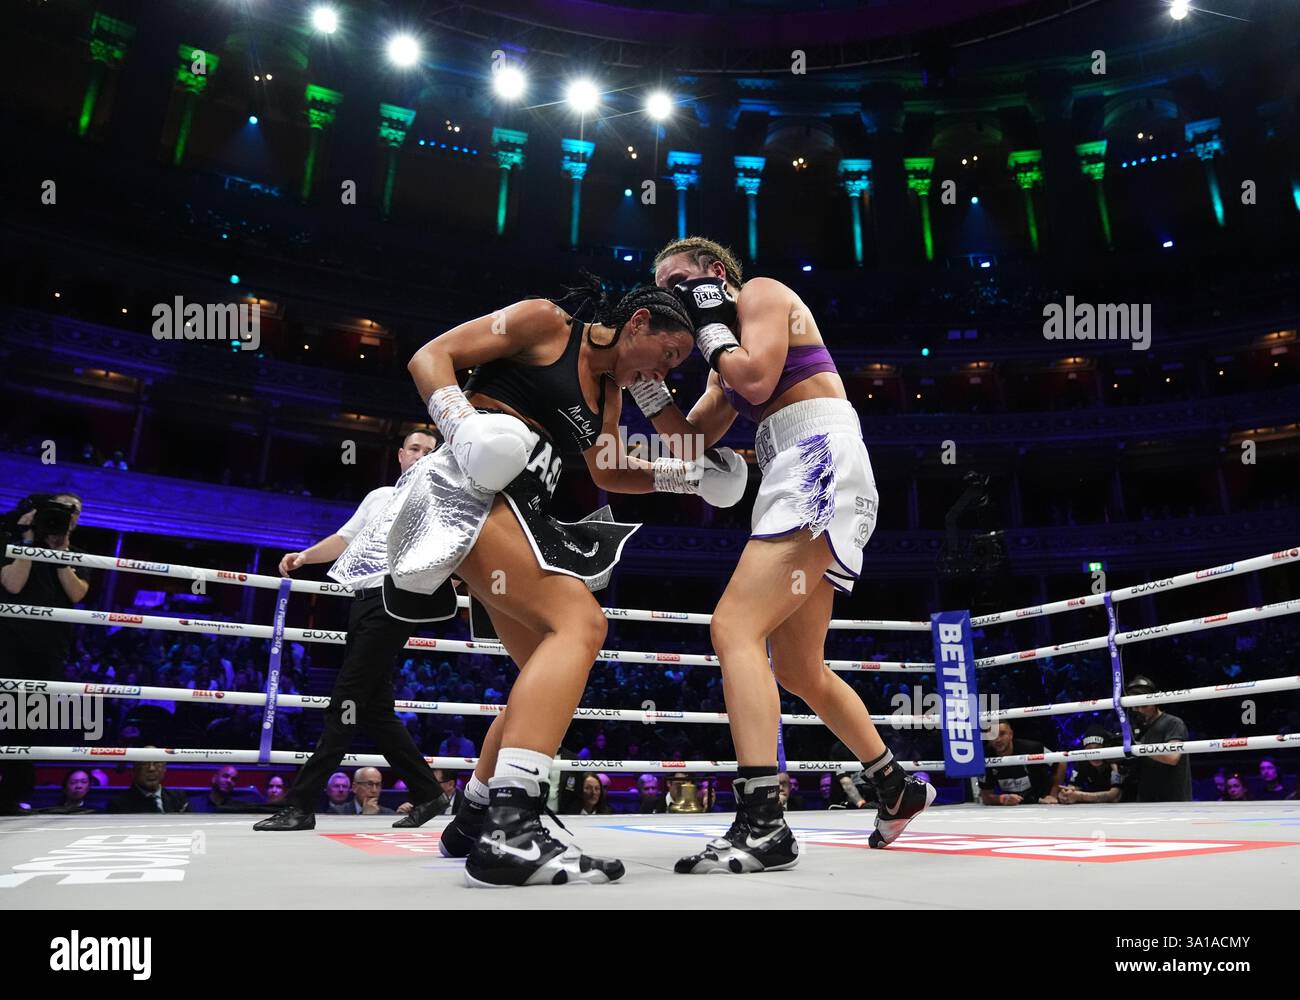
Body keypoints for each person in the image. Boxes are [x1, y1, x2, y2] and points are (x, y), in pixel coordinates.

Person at [347, 276, 745, 888]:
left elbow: (610, 472)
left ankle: (476, 814)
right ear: (638, 322)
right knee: (581, 623)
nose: (666, 374)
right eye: (668, 355)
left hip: (525, 517)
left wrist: (686, 476)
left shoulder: (610, 394)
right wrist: (461, 422)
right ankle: (513, 825)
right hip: (472, 491)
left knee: (542, 674)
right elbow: (431, 356)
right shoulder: (546, 324)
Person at [633, 237, 933, 874]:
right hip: (791, 469)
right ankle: (894, 784)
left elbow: (759, 378)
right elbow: (692, 446)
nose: (671, 294)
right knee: (799, 667)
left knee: (733, 626)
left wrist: (713, 323)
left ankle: (764, 819)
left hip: (819, 456)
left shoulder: (764, 294)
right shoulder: (722, 355)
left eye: (679, 279)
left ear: (716, 274)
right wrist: (649, 391)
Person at [256, 431, 454, 833]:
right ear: (400, 455)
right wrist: (305, 557)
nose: (420, 456)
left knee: (344, 700)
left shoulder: (440, 500)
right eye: (414, 449)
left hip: (396, 600)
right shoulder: (379, 496)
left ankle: (300, 804)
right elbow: (346, 538)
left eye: (430, 452)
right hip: (361, 600)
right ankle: (429, 792)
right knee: (374, 708)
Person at [0, 493, 92, 812]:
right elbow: (12, 584)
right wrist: (28, 539)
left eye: (75, 511)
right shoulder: (12, 540)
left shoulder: (77, 554)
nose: (69, 514)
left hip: (50, 648)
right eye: (63, 508)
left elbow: (77, 593)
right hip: (8, 643)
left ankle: (13, 795)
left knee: (27, 723)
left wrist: (61, 553)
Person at [1126, 675, 1192, 802]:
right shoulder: (1134, 725)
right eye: (1135, 707)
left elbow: (1172, 757)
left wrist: (1138, 748)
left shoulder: (1173, 723)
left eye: (1144, 706)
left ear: (1156, 701)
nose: (1140, 710)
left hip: (1173, 797)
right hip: (1145, 797)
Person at [978, 722, 1063, 805]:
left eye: (1002, 734)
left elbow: (1061, 762)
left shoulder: (1032, 748)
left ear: (1011, 734)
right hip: (1011, 806)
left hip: (1042, 801)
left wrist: (1053, 795)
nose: (998, 739)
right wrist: (1002, 799)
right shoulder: (985, 756)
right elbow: (986, 797)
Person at [1057, 725, 1122, 804]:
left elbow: (1115, 796)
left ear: (1105, 747)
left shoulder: (1114, 762)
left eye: (1098, 748)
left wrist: (1080, 796)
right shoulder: (1082, 761)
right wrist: (1066, 794)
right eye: (1089, 749)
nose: (1093, 754)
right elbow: (1073, 788)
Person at [107, 757, 190, 814]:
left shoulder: (178, 798)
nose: (151, 769)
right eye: (145, 763)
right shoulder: (119, 804)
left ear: (164, 769)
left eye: (156, 763)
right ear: (134, 771)